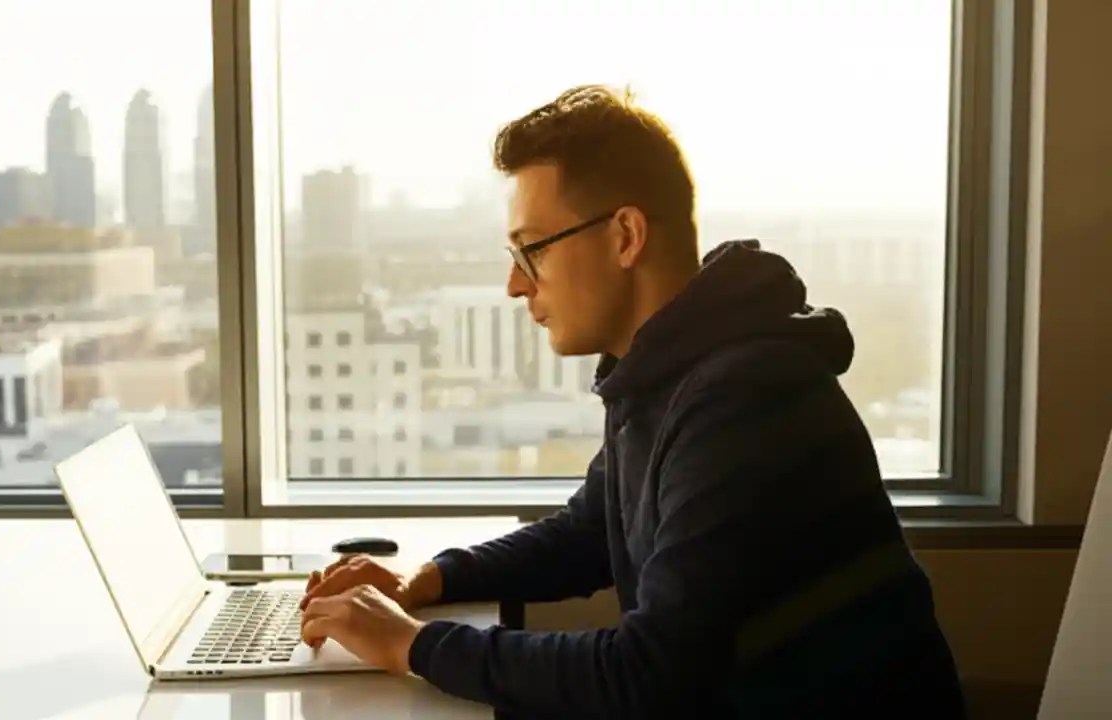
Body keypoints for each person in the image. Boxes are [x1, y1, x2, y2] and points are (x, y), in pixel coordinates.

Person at [298, 84, 965, 718]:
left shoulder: (745, 395)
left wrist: (412, 644)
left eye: (530, 250)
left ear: (624, 235)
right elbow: (591, 529)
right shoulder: (670, 371)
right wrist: (430, 577)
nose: (513, 284)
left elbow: (649, 677)